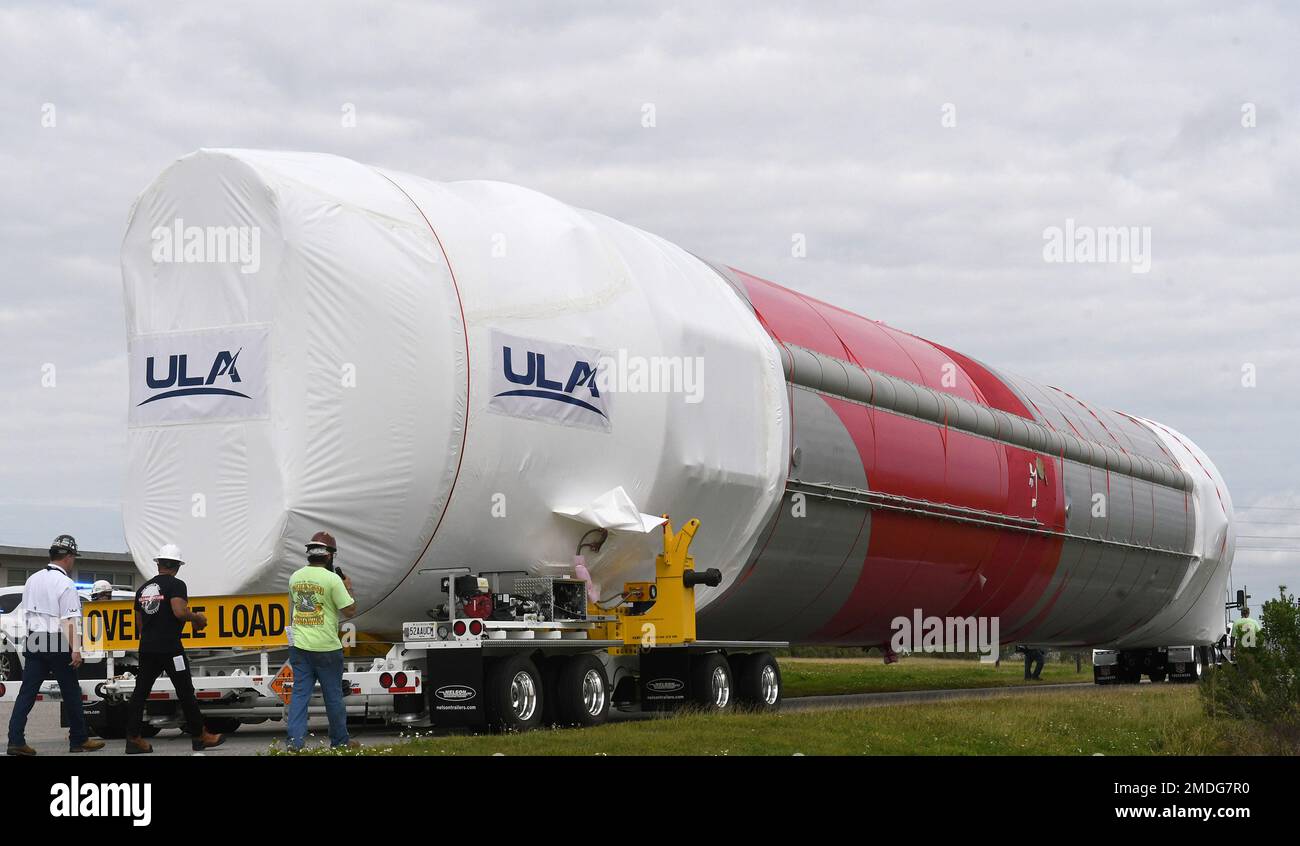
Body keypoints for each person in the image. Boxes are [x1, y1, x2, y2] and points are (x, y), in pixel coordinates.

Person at [6, 534, 105, 756]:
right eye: (73, 558)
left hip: (34, 638)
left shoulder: (33, 579)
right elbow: (68, 620)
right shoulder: (65, 583)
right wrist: (76, 650)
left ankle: (15, 740)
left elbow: (27, 612)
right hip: (56, 640)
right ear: (68, 557)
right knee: (71, 691)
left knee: (27, 692)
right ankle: (78, 740)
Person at [123, 544, 224, 754]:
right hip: (170, 648)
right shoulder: (177, 585)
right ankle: (200, 736)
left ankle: (133, 739)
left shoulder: (143, 589)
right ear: (177, 566)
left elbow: (139, 624)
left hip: (148, 648)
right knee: (186, 692)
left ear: (158, 564)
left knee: (140, 693)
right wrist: (197, 618)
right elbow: (179, 611)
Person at [286, 531, 359, 751]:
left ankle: (295, 743)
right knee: (333, 697)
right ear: (329, 556)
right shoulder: (333, 579)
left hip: (299, 646)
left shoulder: (295, 577)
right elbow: (349, 611)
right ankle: (340, 741)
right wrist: (347, 587)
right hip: (327, 647)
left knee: (300, 695)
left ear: (309, 554)